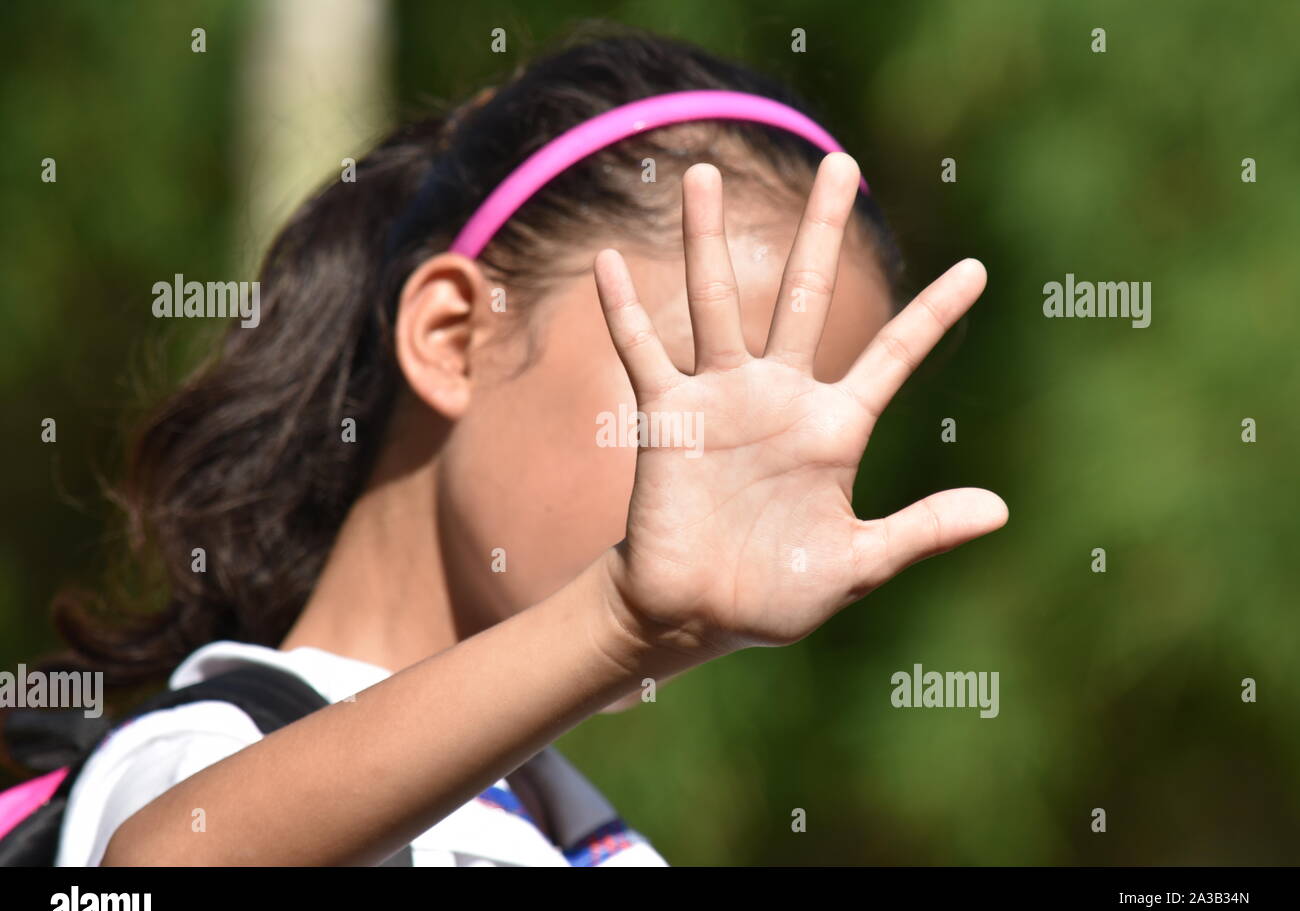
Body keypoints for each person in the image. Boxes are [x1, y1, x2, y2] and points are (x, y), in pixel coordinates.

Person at [48, 26, 1006, 866]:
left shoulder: (586, 834)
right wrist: (622, 622)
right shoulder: (206, 757)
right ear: (452, 337)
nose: (743, 477)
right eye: (689, 386)